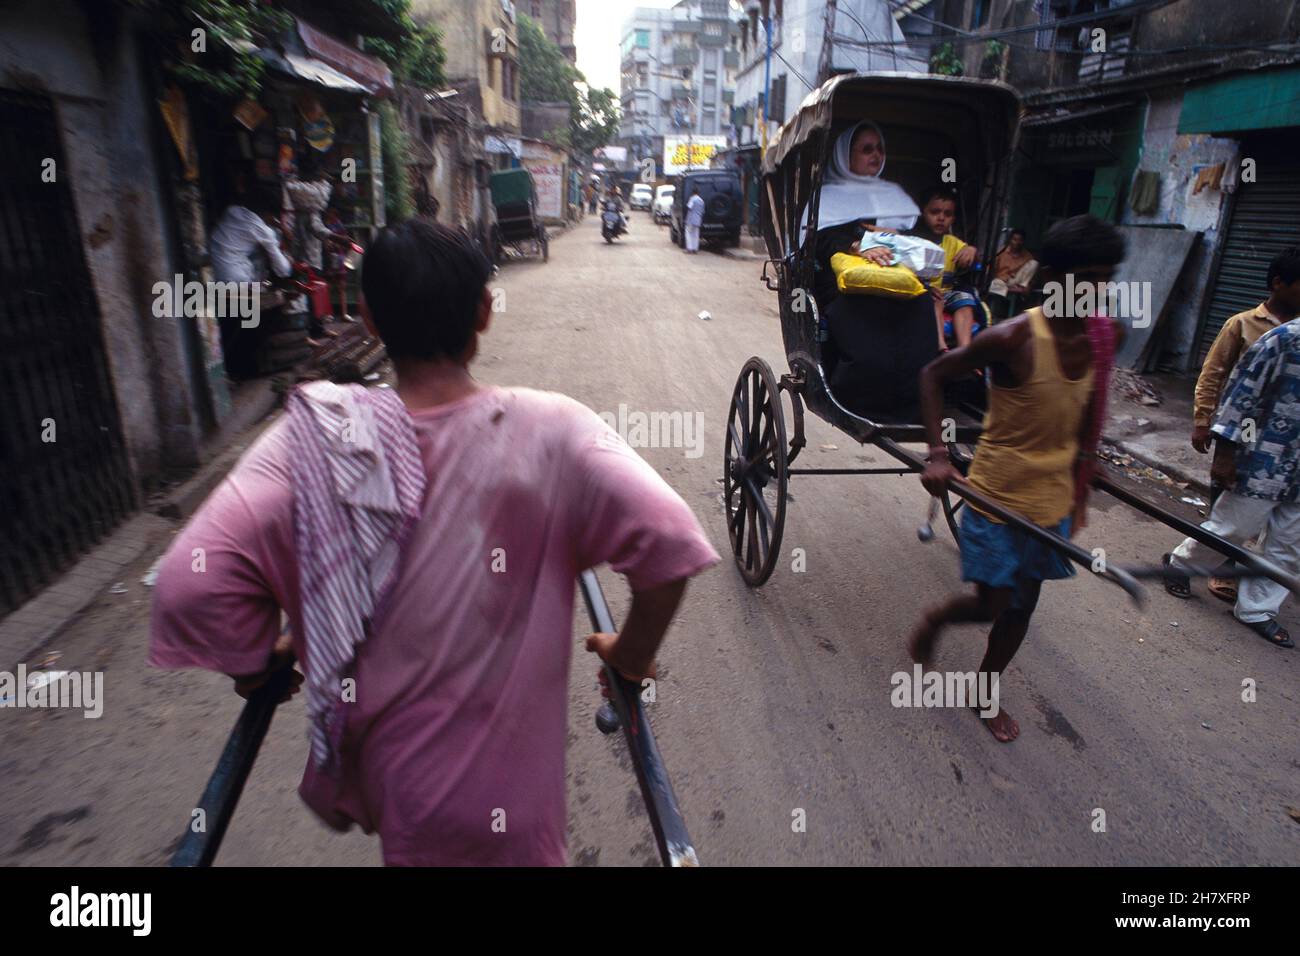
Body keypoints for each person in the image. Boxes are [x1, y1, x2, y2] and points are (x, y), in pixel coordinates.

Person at [149, 221, 720, 865]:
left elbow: (186, 585)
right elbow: (670, 542)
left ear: (367, 317)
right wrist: (629, 655)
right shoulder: (554, 429)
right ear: (483, 313)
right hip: (518, 814)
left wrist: (258, 660)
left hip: (408, 799)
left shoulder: (311, 443)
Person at [908, 214, 1127, 742]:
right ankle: (938, 619)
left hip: (1050, 500)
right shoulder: (1013, 338)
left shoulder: (1104, 337)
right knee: (991, 603)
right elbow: (932, 374)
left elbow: (1087, 410)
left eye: (1107, 278)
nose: (1099, 291)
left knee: (1022, 606)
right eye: (1089, 278)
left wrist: (1086, 468)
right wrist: (938, 452)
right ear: (1053, 276)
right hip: (995, 494)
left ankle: (986, 690)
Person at [1163, 249, 1300, 649]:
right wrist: (1219, 442)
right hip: (1262, 460)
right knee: (1233, 528)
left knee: (1289, 544)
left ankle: (1257, 609)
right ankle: (1181, 565)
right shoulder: (1279, 338)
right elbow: (1237, 391)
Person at [805, 120, 932, 420]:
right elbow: (818, 242)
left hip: (897, 276)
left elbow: (920, 239)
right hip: (842, 281)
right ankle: (859, 400)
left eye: (879, 148)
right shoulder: (826, 196)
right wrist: (856, 245)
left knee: (923, 304)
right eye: (866, 149)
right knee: (863, 309)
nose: (875, 155)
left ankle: (914, 401)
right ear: (845, 157)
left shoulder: (895, 195)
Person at [209, 181, 293, 378]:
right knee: (265, 309)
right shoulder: (261, 229)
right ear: (269, 213)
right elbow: (283, 270)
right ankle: (246, 369)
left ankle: (235, 367)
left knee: (232, 325)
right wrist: (282, 240)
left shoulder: (233, 211)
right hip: (234, 283)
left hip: (213, 278)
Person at [906, 185, 982, 350]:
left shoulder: (952, 242)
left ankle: (964, 351)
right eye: (935, 212)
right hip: (924, 293)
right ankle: (942, 346)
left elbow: (971, 256)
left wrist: (971, 250)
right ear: (923, 213)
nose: (941, 218)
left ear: (953, 218)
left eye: (947, 214)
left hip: (949, 291)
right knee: (936, 301)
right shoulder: (912, 241)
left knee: (965, 301)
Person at [988, 228, 1036, 320]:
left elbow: (1030, 276)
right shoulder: (1001, 253)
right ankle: (1011, 290)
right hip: (1001, 281)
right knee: (995, 284)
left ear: (1023, 241)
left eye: (1020, 240)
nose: (1017, 242)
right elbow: (990, 269)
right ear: (1010, 240)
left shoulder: (1027, 256)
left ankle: (1018, 290)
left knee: (1034, 263)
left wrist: (1026, 286)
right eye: (1014, 239)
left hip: (1016, 282)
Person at [684, 186, 705, 254]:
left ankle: (689, 249)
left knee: (688, 233)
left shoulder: (692, 199)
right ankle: (695, 249)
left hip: (691, 219)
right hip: (698, 220)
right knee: (696, 235)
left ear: (693, 193)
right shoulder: (701, 201)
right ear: (698, 193)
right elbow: (702, 211)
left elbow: (689, 207)